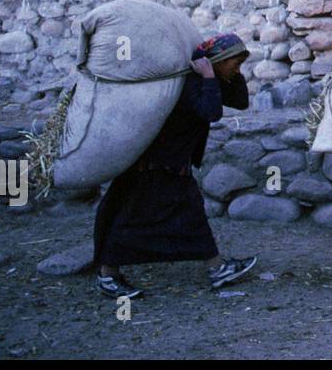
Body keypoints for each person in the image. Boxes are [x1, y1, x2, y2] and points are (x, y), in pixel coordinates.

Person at [93, 32, 259, 299]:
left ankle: (217, 269)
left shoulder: (209, 80)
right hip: (152, 165)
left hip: (172, 162)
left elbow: (240, 102)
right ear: (218, 60)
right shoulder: (190, 82)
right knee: (130, 218)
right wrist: (207, 75)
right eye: (234, 63)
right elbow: (211, 112)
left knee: (191, 215)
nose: (237, 69)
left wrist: (231, 73)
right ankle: (107, 275)